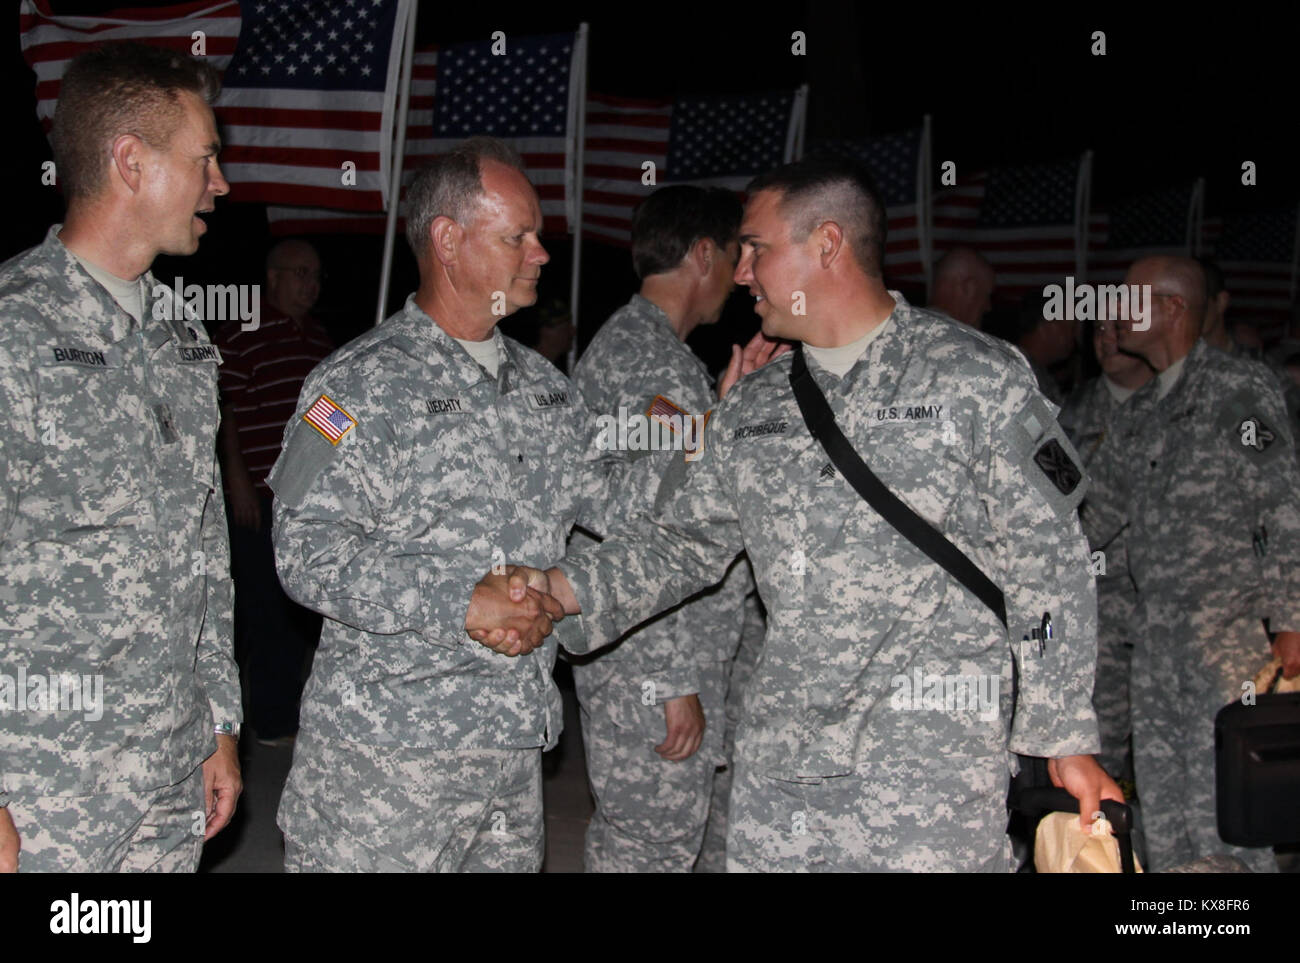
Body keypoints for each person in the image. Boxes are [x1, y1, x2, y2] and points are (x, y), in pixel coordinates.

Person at [475, 158, 1120, 871]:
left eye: (757, 248)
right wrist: (555, 590)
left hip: (928, 788)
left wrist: (1062, 735)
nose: (742, 271)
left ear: (828, 245)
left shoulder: (979, 378)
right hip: (783, 786)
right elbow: (678, 546)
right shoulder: (755, 407)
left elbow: (1052, 564)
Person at [266, 136, 676, 872]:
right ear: (448, 241)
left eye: (538, 235)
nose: (541, 253)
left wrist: (716, 440)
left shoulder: (547, 389)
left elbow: (619, 505)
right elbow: (304, 548)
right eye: (517, 235)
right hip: (384, 771)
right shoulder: (353, 385)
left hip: (511, 763)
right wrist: (461, 598)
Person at [0, 43, 241, 872]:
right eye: (204, 158)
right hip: (43, 790)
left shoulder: (182, 341)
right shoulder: (15, 330)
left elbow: (206, 553)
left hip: (167, 776)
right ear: (131, 162)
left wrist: (218, 723)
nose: (221, 183)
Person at [1084, 255, 1300, 871]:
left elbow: (1280, 495)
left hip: (1228, 644)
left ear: (1173, 308)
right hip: (1154, 647)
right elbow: (1091, 516)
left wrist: (1293, 618)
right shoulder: (1143, 412)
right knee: (1163, 814)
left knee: (1229, 814)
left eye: (1129, 301)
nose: (1112, 315)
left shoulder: (1237, 391)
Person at [569, 185, 759, 872]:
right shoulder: (654, 368)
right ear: (703, 254)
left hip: (651, 654)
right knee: (648, 850)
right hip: (653, 660)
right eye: (737, 257)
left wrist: (723, 411)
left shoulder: (647, 353)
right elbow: (642, 532)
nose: (743, 279)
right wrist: (671, 677)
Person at [215, 240, 334, 746]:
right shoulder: (242, 332)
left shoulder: (320, 340)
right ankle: (242, 719)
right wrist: (237, 480)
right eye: (301, 273)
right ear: (274, 277)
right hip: (257, 495)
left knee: (293, 607)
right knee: (254, 608)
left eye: (316, 276)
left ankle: (276, 716)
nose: (310, 285)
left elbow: (330, 418)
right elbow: (224, 410)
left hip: (303, 497)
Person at [1059, 321, 1153, 782]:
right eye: (1098, 331)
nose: (1106, 340)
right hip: (1096, 611)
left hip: (1169, 615)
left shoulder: (1179, 404)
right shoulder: (1071, 409)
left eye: (1119, 329)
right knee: (1103, 744)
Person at [928, 246, 996, 330]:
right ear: (969, 288)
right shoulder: (958, 339)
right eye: (987, 295)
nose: (988, 307)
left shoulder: (911, 325)